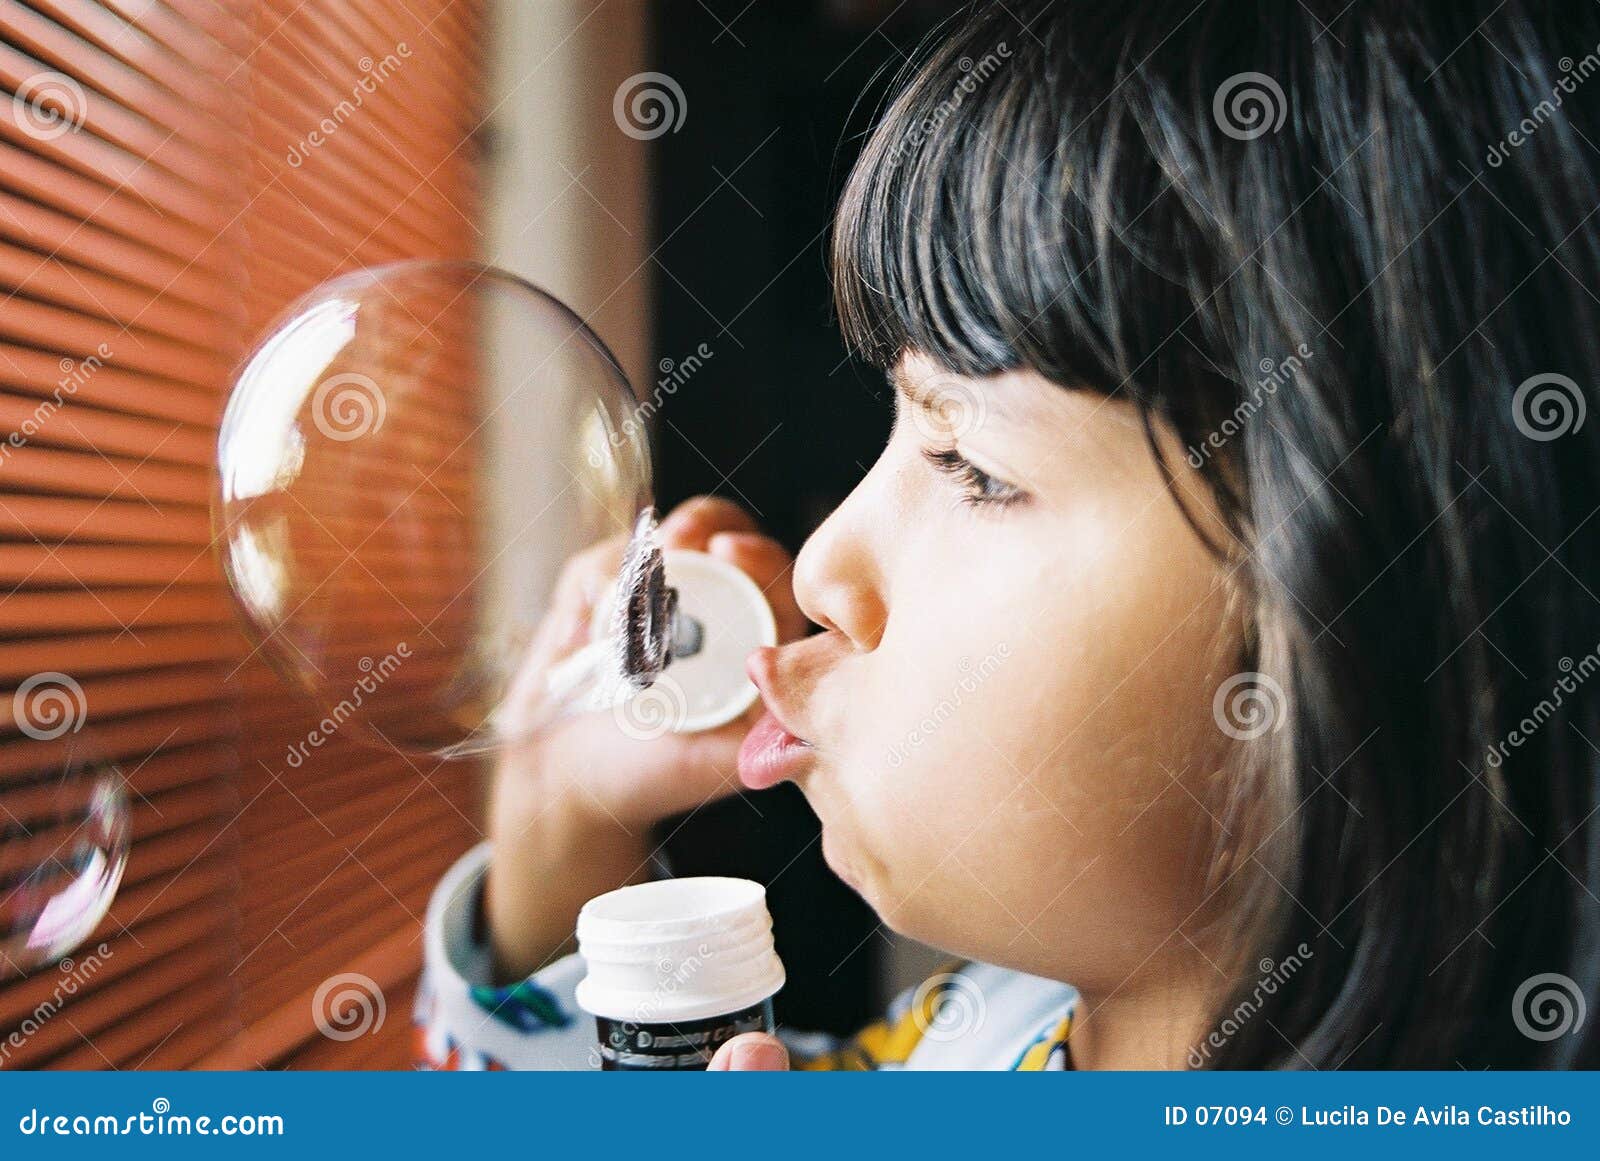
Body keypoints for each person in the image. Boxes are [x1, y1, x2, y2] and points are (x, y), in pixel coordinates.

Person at [415, 0, 1600, 1069]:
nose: (821, 562)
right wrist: (555, 822)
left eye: (970, 465)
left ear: (1368, 611)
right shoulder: (979, 1033)